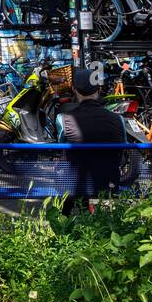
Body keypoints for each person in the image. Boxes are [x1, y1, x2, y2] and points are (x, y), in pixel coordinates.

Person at [55, 66, 127, 215]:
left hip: (77, 187)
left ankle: (66, 220)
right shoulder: (118, 119)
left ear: (74, 90)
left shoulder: (63, 119)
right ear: (99, 90)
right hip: (108, 185)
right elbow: (123, 148)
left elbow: (61, 147)